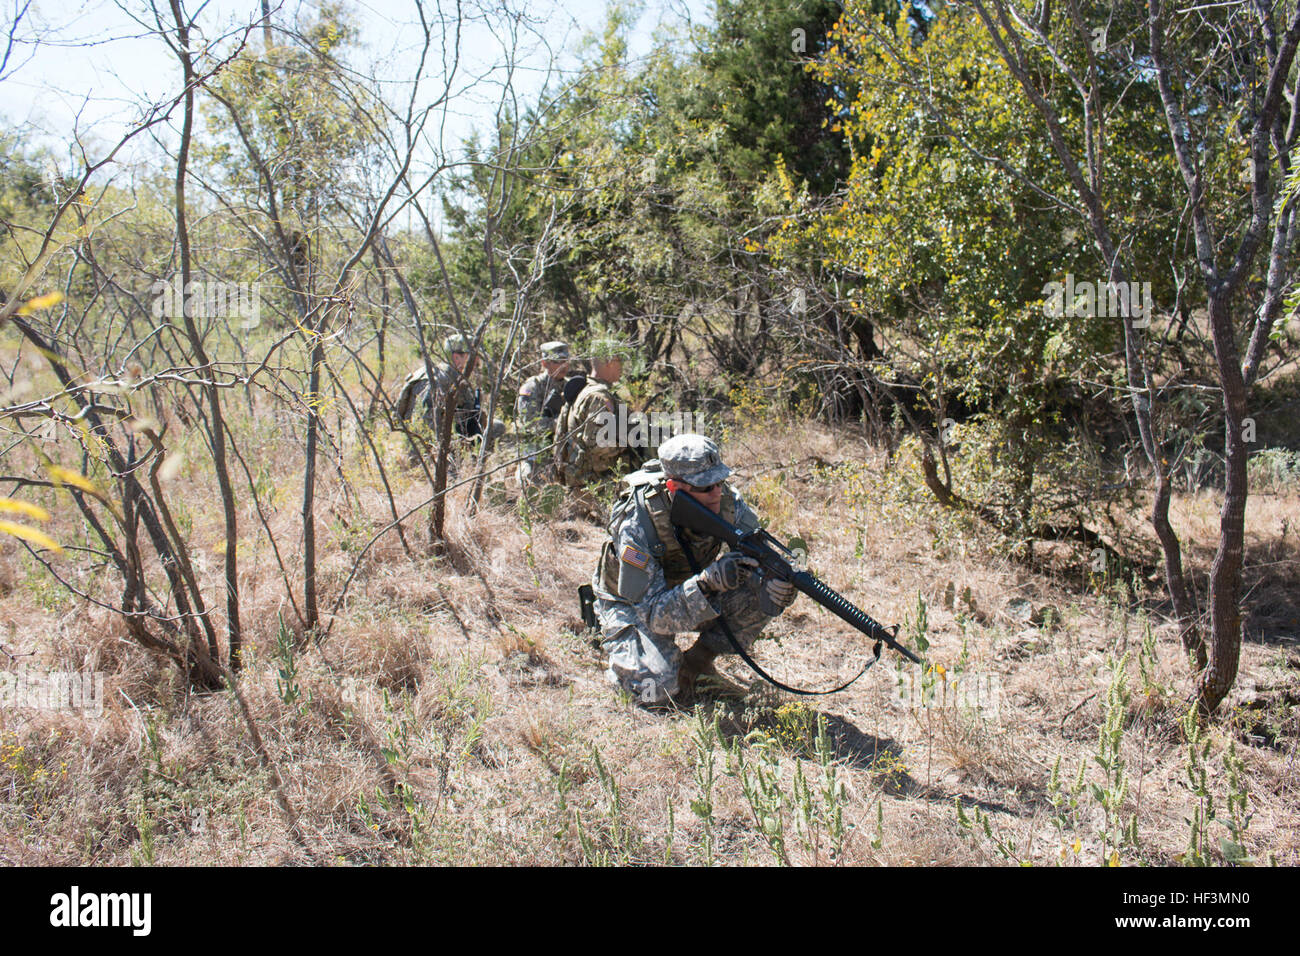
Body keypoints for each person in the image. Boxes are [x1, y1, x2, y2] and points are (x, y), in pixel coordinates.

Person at [590, 433, 798, 706]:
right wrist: (708, 583)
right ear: (675, 487)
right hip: (634, 603)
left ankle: (699, 661)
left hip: (686, 590)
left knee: (761, 587)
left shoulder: (726, 501)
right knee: (655, 688)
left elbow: (763, 555)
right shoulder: (638, 521)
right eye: (706, 487)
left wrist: (782, 581)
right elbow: (652, 613)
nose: (717, 492)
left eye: (719, 481)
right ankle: (617, 638)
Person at [395, 334, 504, 447]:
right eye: (472, 356)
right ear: (456, 357)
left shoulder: (455, 378)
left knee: (498, 427)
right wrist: (455, 445)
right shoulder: (437, 381)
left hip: (453, 436)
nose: (477, 360)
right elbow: (425, 425)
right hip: (429, 447)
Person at [553, 341, 626, 489]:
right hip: (594, 485)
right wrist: (631, 441)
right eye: (620, 360)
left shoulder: (584, 388)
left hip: (579, 480)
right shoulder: (598, 396)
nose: (622, 366)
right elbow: (600, 444)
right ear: (609, 362)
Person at [515, 340, 570, 485]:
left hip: (564, 450)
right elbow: (530, 424)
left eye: (566, 361)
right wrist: (558, 423)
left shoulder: (570, 386)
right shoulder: (533, 387)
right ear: (545, 363)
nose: (564, 365)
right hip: (537, 451)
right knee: (533, 483)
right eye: (558, 361)